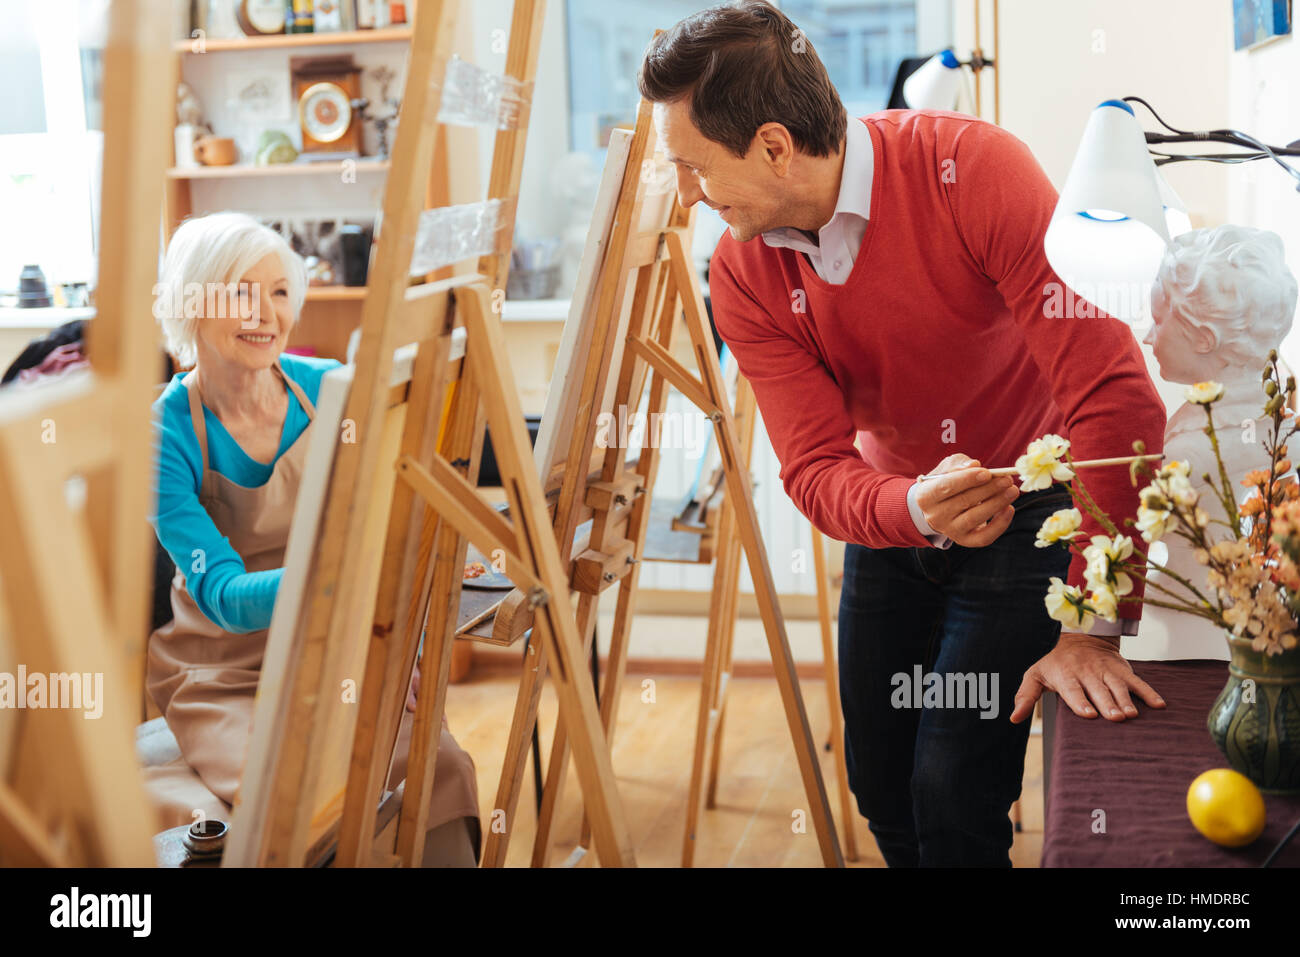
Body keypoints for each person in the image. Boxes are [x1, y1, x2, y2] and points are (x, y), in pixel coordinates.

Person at [639, 0, 1168, 866]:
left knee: (951, 791)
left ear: (774, 145)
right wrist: (912, 505)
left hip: (1030, 508)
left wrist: (1091, 624)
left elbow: (1114, 398)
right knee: (882, 785)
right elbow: (813, 468)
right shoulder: (742, 270)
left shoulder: (974, 169)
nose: (689, 197)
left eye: (695, 169)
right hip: (898, 516)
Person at [148, 211, 480, 866]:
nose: (267, 313)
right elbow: (221, 594)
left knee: (433, 764)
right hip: (224, 669)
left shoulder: (332, 390)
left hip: (338, 647)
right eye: (241, 290)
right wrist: (344, 580)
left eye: (279, 291)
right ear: (193, 300)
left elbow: (403, 513)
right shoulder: (166, 433)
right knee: (292, 787)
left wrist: (392, 635)